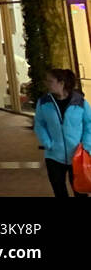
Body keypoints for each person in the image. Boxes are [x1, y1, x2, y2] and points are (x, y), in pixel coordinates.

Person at [34, 68, 90, 198]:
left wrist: (86, 145)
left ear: (61, 83)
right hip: (53, 155)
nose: (47, 84)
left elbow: (89, 124)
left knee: (80, 191)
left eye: (50, 81)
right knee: (59, 191)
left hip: (77, 156)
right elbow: (39, 124)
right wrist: (48, 143)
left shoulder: (80, 102)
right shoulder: (43, 102)